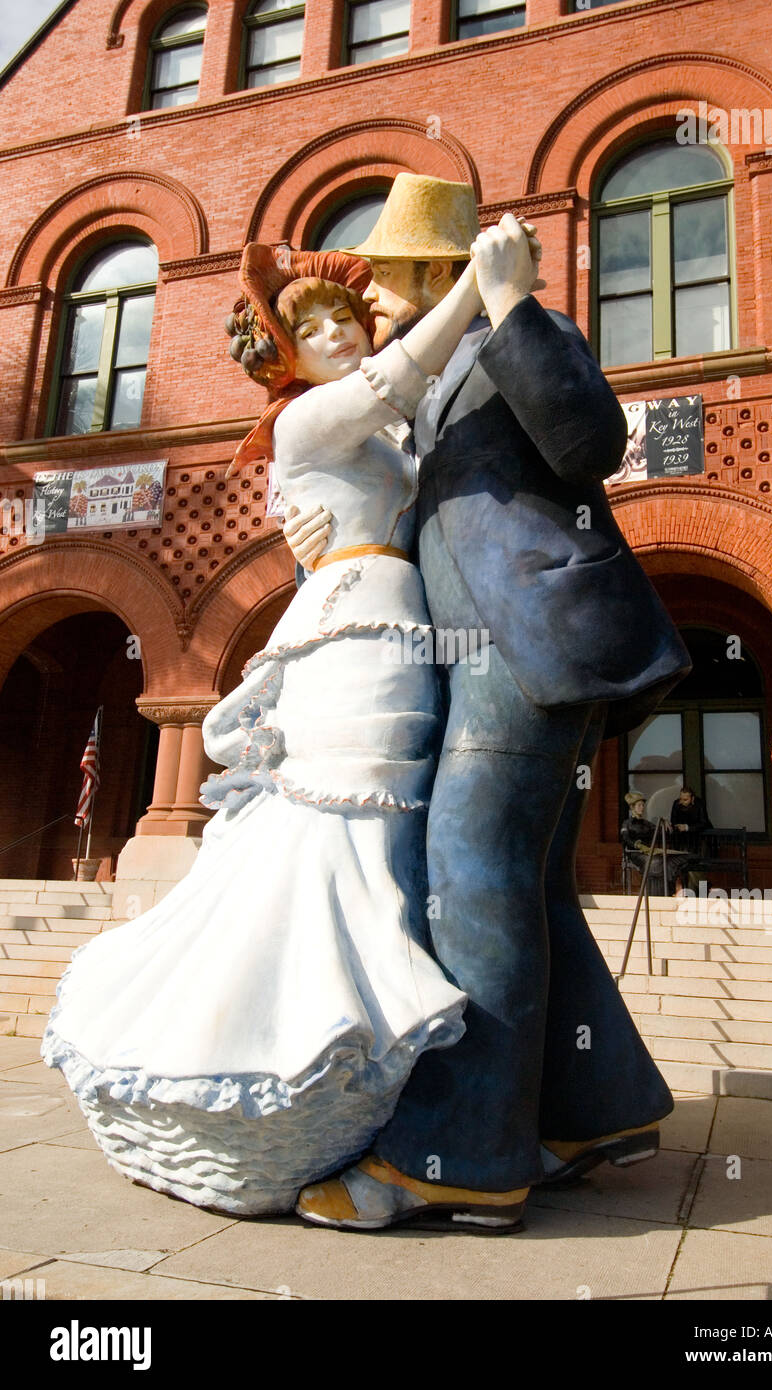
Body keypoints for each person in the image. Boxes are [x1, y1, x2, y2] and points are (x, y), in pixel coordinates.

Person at [40, 243, 498, 1217]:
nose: (340, 333)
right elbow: (394, 379)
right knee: (333, 824)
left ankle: (334, 1052)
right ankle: (273, 1053)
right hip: (350, 634)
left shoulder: (361, 430)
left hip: (385, 618)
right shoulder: (304, 420)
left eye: (345, 315)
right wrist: (479, 279)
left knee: (368, 833)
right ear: (284, 357)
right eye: (314, 328)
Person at [287, 175, 693, 1233]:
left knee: (469, 882)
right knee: (527, 884)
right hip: (480, 653)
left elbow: (590, 444)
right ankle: (590, 1108)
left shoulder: (514, 329)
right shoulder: (424, 382)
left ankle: (455, 1156)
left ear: (439, 269)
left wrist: (510, 303)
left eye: (385, 277)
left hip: (526, 646)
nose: (370, 296)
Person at [620, 790, 688, 896]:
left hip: (650, 852)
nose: (642, 807)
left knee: (668, 860)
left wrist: (666, 824)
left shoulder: (646, 823)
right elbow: (625, 838)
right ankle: (655, 893)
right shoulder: (627, 823)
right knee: (656, 862)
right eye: (639, 805)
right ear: (632, 807)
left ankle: (666, 891)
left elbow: (660, 831)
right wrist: (637, 845)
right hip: (635, 853)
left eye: (643, 805)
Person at [669, 785, 712, 853]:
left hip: (699, 836)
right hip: (683, 836)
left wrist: (687, 827)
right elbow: (673, 820)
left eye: (685, 799)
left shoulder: (700, 803)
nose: (682, 802)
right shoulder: (676, 803)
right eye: (681, 799)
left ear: (692, 798)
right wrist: (676, 825)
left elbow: (704, 823)